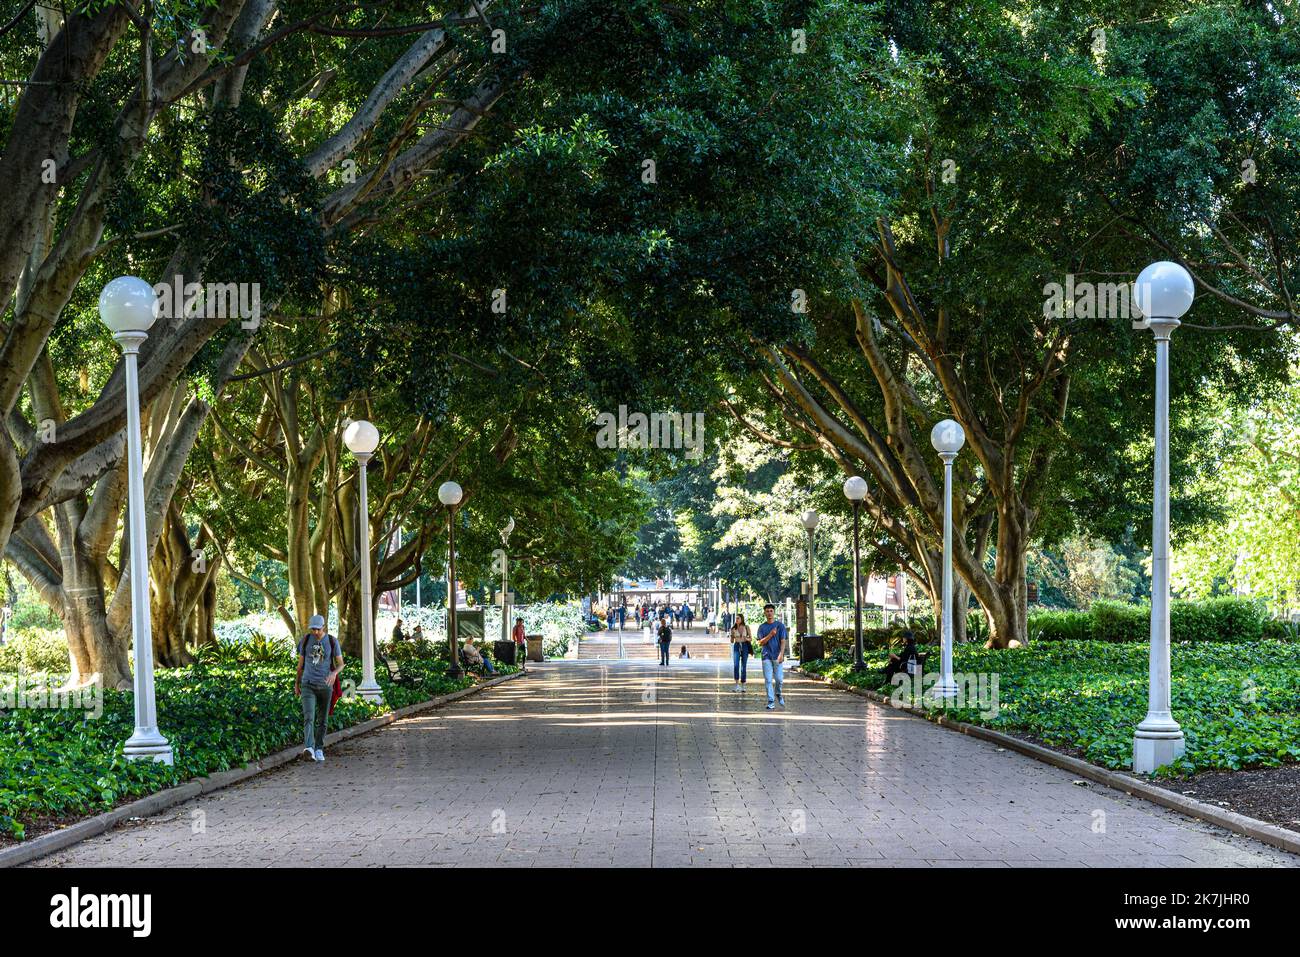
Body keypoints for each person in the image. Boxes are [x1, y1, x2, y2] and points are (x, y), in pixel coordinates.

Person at [295, 614, 342, 763]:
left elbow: (341, 663)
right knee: (309, 717)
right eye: (313, 629)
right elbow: (300, 665)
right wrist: (297, 683)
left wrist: (334, 673)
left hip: (325, 686)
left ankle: (319, 748)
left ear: (324, 627)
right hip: (308, 684)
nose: (315, 632)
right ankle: (309, 748)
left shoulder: (332, 641)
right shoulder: (306, 640)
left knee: (323, 720)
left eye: (317, 629)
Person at [755, 603, 787, 710]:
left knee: (779, 679)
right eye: (767, 611)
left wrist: (781, 654)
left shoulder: (780, 626)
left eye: (771, 611)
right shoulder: (762, 627)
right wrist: (770, 634)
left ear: (774, 612)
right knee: (768, 680)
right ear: (764, 613)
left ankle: (778, 693)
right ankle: (771, 701)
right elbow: (760, 643)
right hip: (766, 656)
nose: (769, 613)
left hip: (777, 656)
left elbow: (783, 641)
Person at [729, 613, 752, 691]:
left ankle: (743, 685)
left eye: (738, 618)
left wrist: (746, 639)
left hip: (745, 645)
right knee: (736, 665)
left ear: (741, 619)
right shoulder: (733, 629)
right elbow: (732, 641)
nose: (736, 620)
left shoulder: (746, 627)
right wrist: (732, 636)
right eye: (736, 618)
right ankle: (736, 685)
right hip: (737, 645)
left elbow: (751, 638)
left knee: (744, 665)